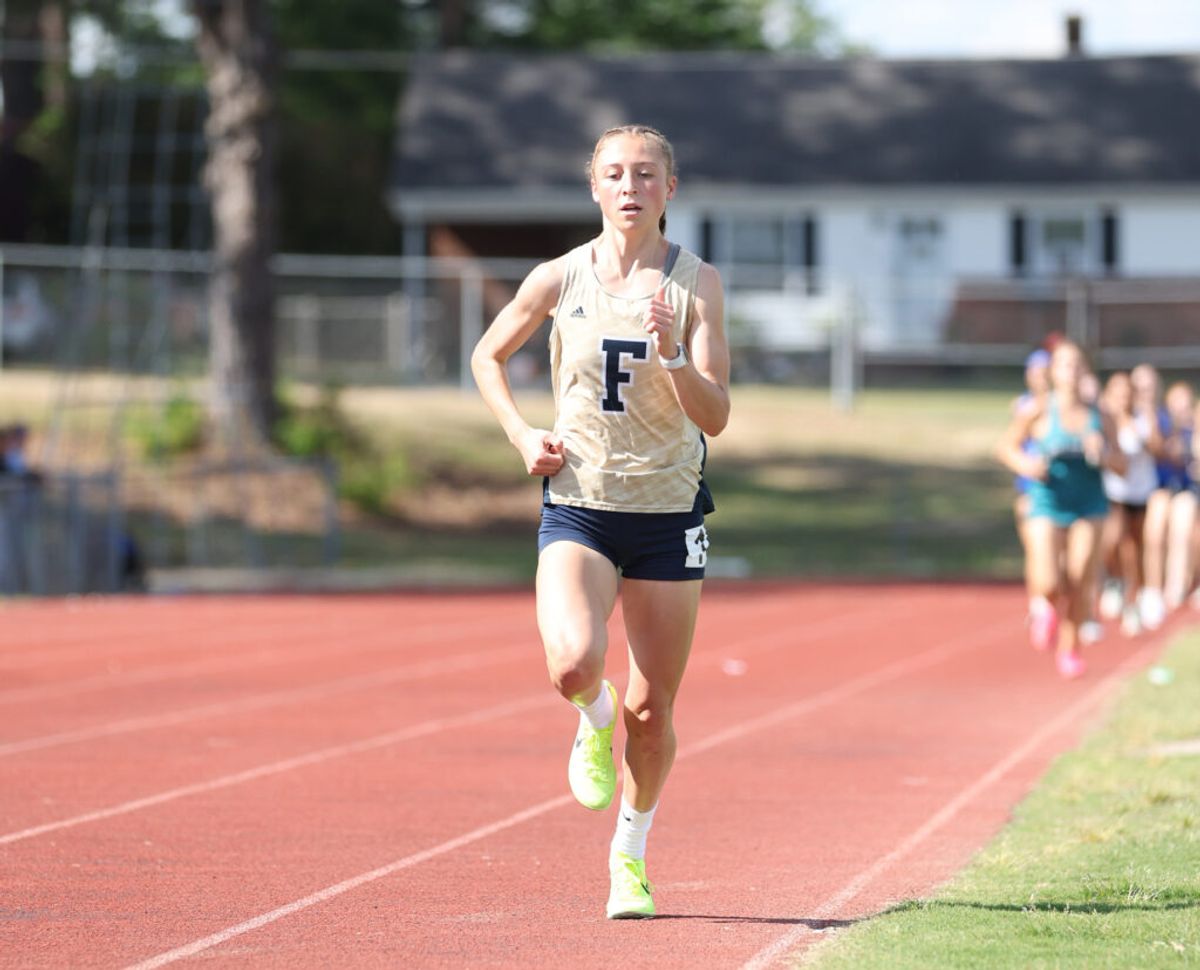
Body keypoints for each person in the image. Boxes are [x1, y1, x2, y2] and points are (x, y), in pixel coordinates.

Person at [471, 124, 730, 919]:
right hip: (580, 504)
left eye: (645, 174)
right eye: (614, 174)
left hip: (667, 513)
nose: (630, 187)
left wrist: (674, 355)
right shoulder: (559, 276)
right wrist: (523, 435)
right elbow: (487, 356)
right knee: (572, 663)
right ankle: (593, 716)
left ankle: (631, 855)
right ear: (594, 187)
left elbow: (716, 416)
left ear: (669, 189)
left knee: (654, 714)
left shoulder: (697, 284)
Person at [996, 340, 1125, 679]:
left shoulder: (1100, 415)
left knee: (1081, 576)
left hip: (1089, 503)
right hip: (1047, 501)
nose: (1071, 371)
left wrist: (1104, 455)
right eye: (1064, 364)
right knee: (1050, 581)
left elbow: (1123, 464)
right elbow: (1006, 447)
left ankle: (1070, 648)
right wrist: (1027, 465)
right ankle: (1046, 608)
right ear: (1052, 372)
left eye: (1077, 364)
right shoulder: (1037, 410)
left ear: (1085, 370)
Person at [1097, 371, 1160, 636]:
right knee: (1113, 540)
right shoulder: (1104, 421)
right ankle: (1114, 580)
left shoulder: (1142, 418)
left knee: (1136, 548)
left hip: (1140, 492)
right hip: (1114, 492)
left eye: (1127, 394)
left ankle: (1136, 597)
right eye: (1118, 394)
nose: (1123, 399)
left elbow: (1158, 448)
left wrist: (1143, 433)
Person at [1143, 379, 1196, 620]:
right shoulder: (1160, 422)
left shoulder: (1193, 428)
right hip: (1162, 489)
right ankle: (1153, 588)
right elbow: (1156, 449)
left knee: (1181, 531)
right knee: (1155, 531)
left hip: (1187, 491)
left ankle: (1176, 586)